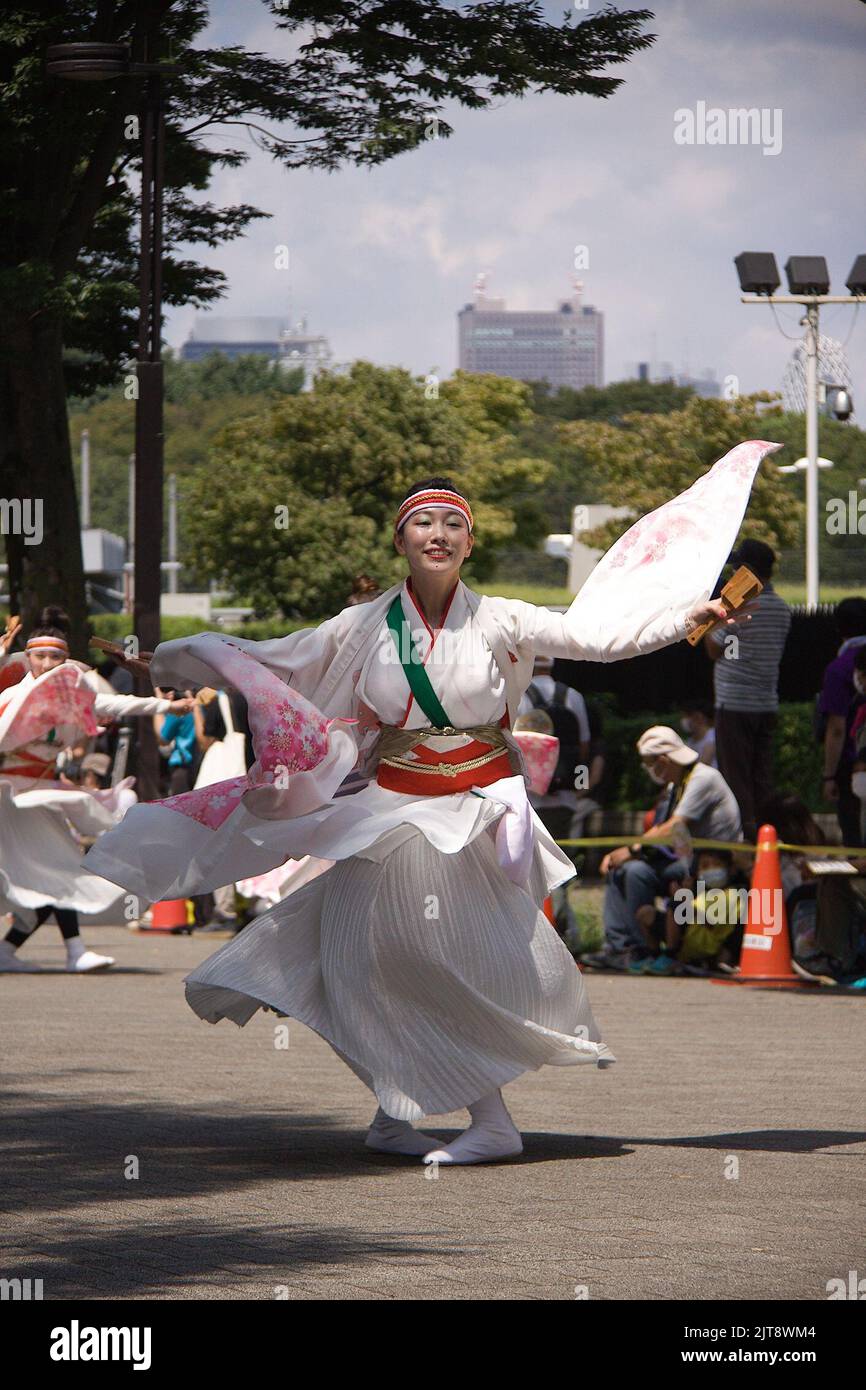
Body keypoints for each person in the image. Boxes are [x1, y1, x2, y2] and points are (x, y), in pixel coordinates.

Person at [86, 441, 779, 1164]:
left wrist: (682, 617)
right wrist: (169, 658)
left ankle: (492, 1120)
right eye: (424, 523)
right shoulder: (362, 625)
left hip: (467, 809)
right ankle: (396, 1107)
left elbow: (594, 637)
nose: (438, 534)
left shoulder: (504, 619)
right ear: (401, 539)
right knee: (348, 958)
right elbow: (275, 656)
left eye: (453, 523)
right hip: (389, 807)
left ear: (469, 542)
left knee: (426, 954)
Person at [0, 607, 191, 974]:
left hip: (38, 795)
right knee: (60, 869)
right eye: (39, 655)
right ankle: (73, 952)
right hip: (13, 796)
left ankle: (22, 951)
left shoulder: (72, 693)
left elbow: (110, 704)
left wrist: (166, 706)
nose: (48, 663)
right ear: (27, 657)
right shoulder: (12, 694)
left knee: (51, 875)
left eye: (56, 656)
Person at [585, 725, 742, 973]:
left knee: (634, 869)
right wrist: (628, 854)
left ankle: (643, 949)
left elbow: (674, 826)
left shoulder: (703, 778)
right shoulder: (676, 786)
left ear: (662, 761)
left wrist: (630, 850)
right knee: (623, 870)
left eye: (650, 764)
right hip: (687, 861)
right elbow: (662, 829)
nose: (650, 770)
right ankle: (621, 948)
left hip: (712, 868)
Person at [703, 538, 791, 842]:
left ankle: (744, 842)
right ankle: (768, 836)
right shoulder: (781, 608)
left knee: (736, 778)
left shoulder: (742, 607)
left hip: (734, 704)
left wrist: (718, 613)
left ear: (748, 570)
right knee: (761, 777)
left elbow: (714, 648)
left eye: (738, 568)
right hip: (766, 703)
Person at [818, 597, 866, 848]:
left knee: (855, 842)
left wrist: (829, 776)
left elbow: (837, 729)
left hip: (852, 767)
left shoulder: (839, 669)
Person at [680, 700, 717, 767]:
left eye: (686, 716)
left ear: (699, 717)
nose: (684, 720)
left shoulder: (713, 736)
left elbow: (704, 763)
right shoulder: (691, 741)